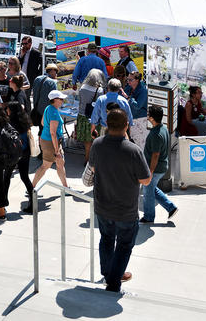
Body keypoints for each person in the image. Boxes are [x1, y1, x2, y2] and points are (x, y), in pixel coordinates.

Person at [82, 105, 151, 293]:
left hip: (103, 206)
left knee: (106, 239)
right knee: (124, 245)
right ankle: (114, 281)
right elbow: (145, 180)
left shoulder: (97, 145)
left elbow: (94, 169)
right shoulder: (133, 151)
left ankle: (108, 273)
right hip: (125, 209)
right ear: (126, 125)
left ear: (106, 124)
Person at [141, 105, 177, 223]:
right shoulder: (163, 128)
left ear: (151, 118)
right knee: (151, 188)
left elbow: (155, 155)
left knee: (147, 192)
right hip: (161, 166)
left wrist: (150, 172)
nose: (147, 116)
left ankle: (149, 217)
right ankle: (171, 207)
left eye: (148, 114)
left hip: (156, 168)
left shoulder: (156, 134)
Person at [32, 90, 70, 192]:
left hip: (47, 140)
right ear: (55, 100)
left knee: (60, 163)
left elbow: (43, 123)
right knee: (46, 166)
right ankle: (31, 187)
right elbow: (53, 133)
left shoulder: (48, 108)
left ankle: (66, 188)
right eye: (61, 99)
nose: (63, 101)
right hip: (51, 143)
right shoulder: (53, 112)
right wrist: (57, 150)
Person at [6, 100, 36, 213]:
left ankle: (1, 203)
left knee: (6, 177)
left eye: (8, 109)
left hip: (14, 154)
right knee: (25, 177)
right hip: (25, 153)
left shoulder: (10, 123)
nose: (7, 111)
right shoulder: (25, 121)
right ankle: (33, 201)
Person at [75, 69, 105, 162]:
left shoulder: (82, 87)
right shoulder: (99, 90)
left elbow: (80, 102)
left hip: (83, 116)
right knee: (95, 139)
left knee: (86, 141)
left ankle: (86, 158)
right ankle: (93, 159)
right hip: (94, 118)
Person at [124, 72, 149, 148]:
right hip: (131, 119)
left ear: (137, 80)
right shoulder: (129, 88)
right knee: (132, 142)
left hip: (140, 120)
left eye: (130, 80)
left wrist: (129, 98)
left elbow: (138, 106)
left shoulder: (143, 91)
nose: (128, 82)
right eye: (127, 79)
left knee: (140, 145)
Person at [29, 63, 59, 128]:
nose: (56, 74)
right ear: (53, 71)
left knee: (40, 131)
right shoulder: (52, 82)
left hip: (37, 110)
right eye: (56, 71)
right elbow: (55, 99)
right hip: (46, 113)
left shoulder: (37, 78)